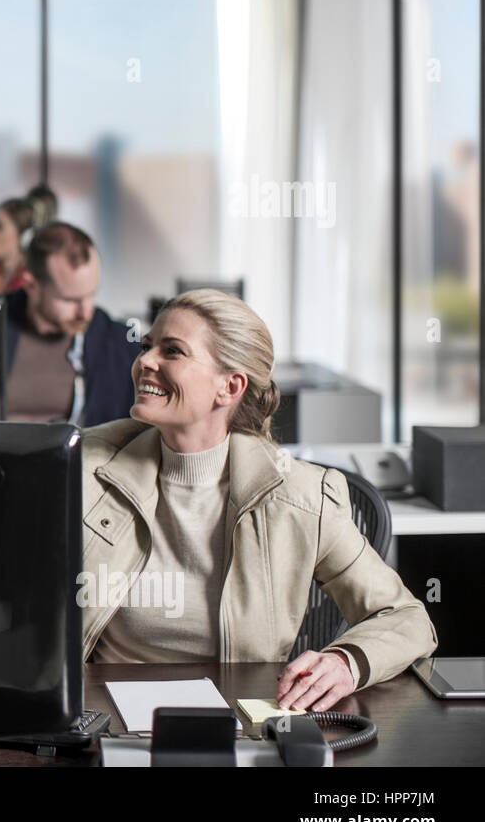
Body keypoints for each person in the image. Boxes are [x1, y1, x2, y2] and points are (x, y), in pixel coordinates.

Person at [81, 289, 437, 710]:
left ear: (229, 387)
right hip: (101, 717)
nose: (145, 362)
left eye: (172, 351)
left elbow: (407, 619)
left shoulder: (302, 497)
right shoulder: (83, 465)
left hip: (240, 722)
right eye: (146, 347)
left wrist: (345, 662)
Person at [5, 222, 136, 425]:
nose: (86, 312)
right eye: (70, 300)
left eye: (91, 294)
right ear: (31, 285)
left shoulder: (122, 348)